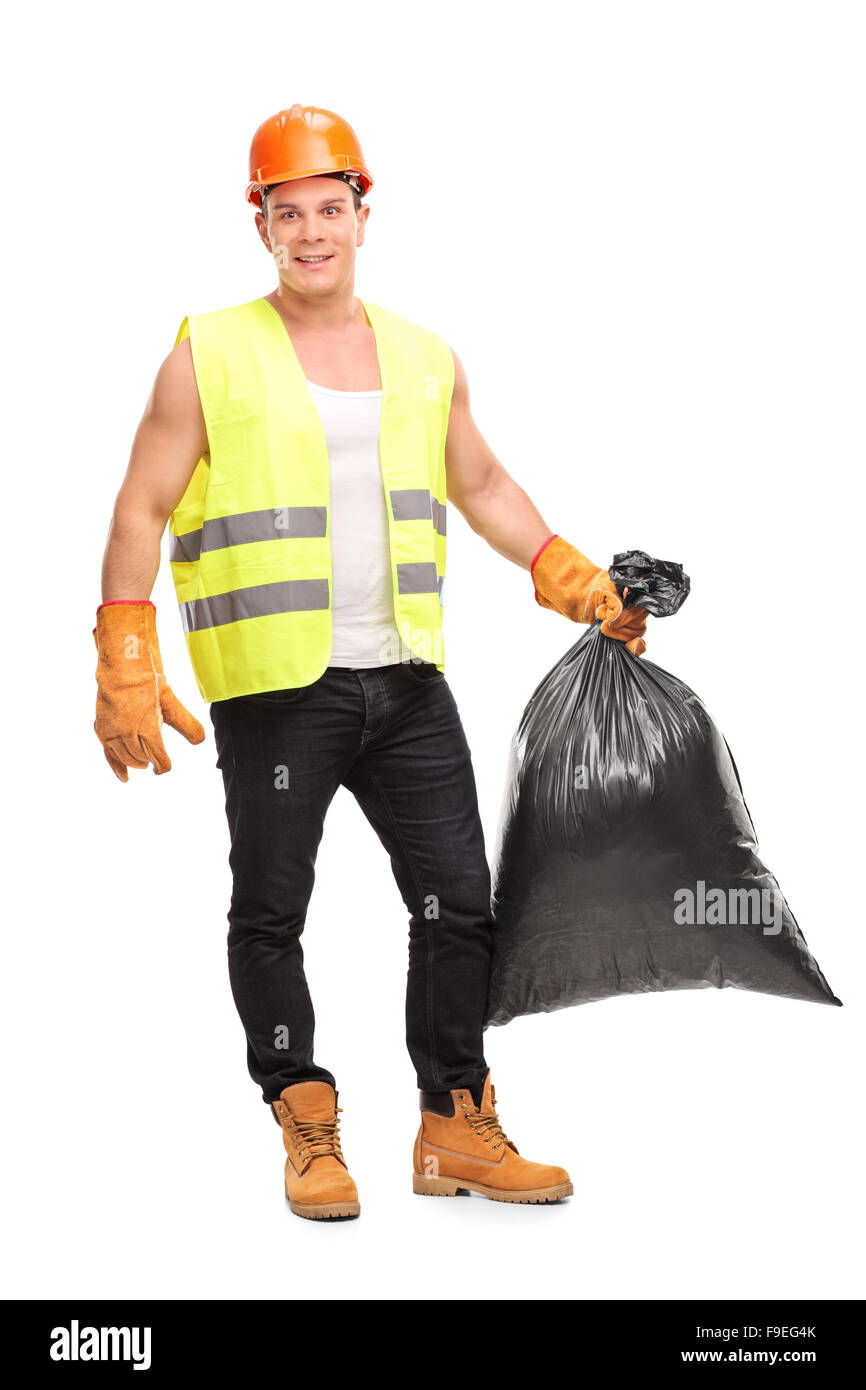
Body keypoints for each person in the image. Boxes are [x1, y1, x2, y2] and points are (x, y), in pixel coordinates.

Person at [94, 104, 647, 1221]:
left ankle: (453, 1122)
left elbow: (481, 485)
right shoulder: (208, 352)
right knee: (271, 911)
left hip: (403, 681)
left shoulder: (421, 354)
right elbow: (142, 504)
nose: (310, 232)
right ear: (259, 223)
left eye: (328, 209)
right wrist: (123, 646)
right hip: (276, 688)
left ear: (362, 214)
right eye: (285, 211)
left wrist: (570, 573)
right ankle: (302, 1115)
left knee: (459, 903)